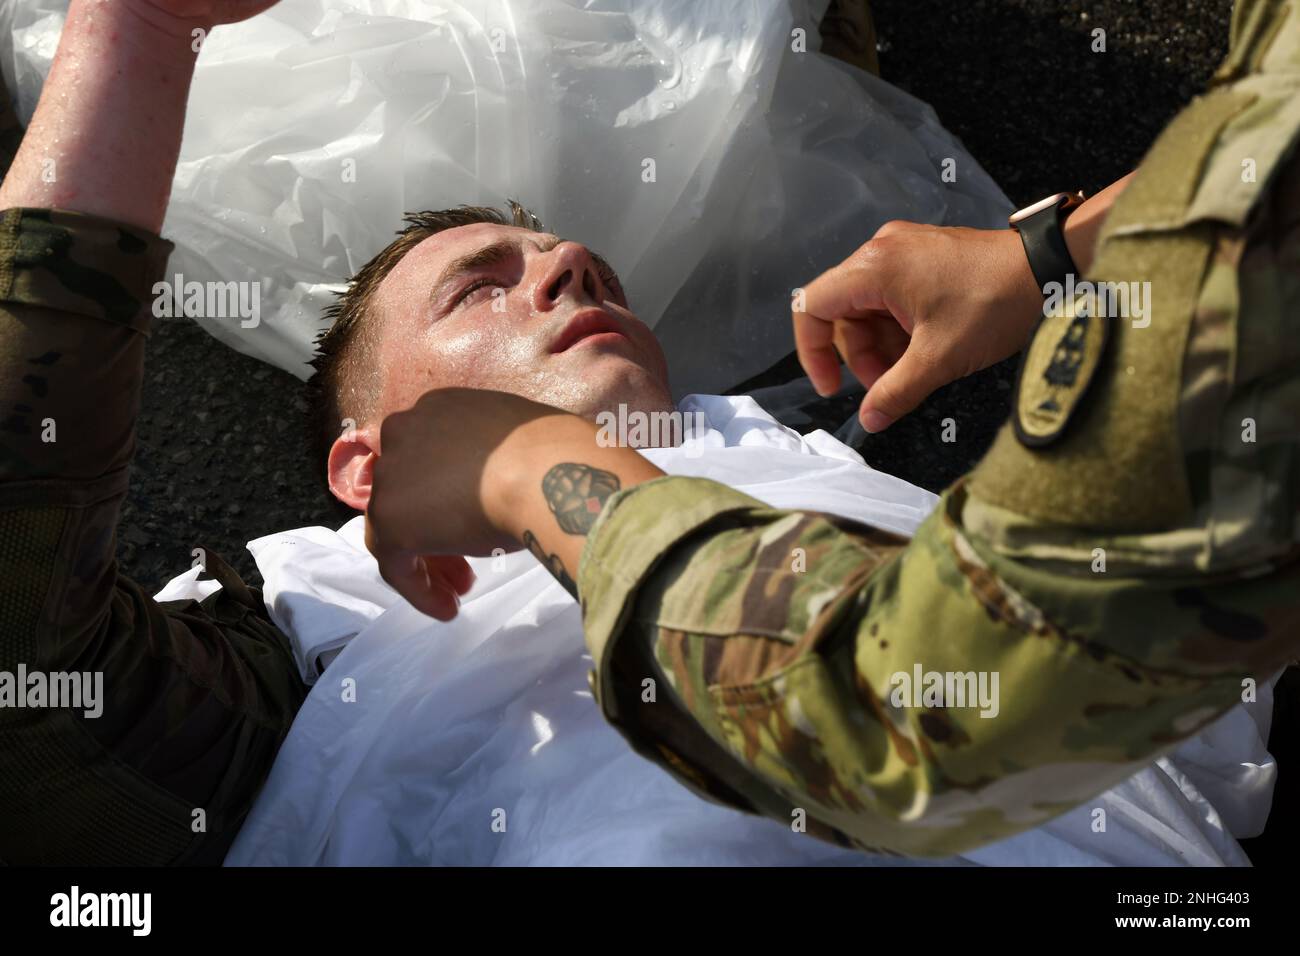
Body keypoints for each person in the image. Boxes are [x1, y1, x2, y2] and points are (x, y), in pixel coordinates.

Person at [0, 0, 1292, 865]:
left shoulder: (911, 520)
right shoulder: (309, 645)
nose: (568, 269)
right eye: (481, 285)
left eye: (579, 264)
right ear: (365, 467)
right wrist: (141, 31)